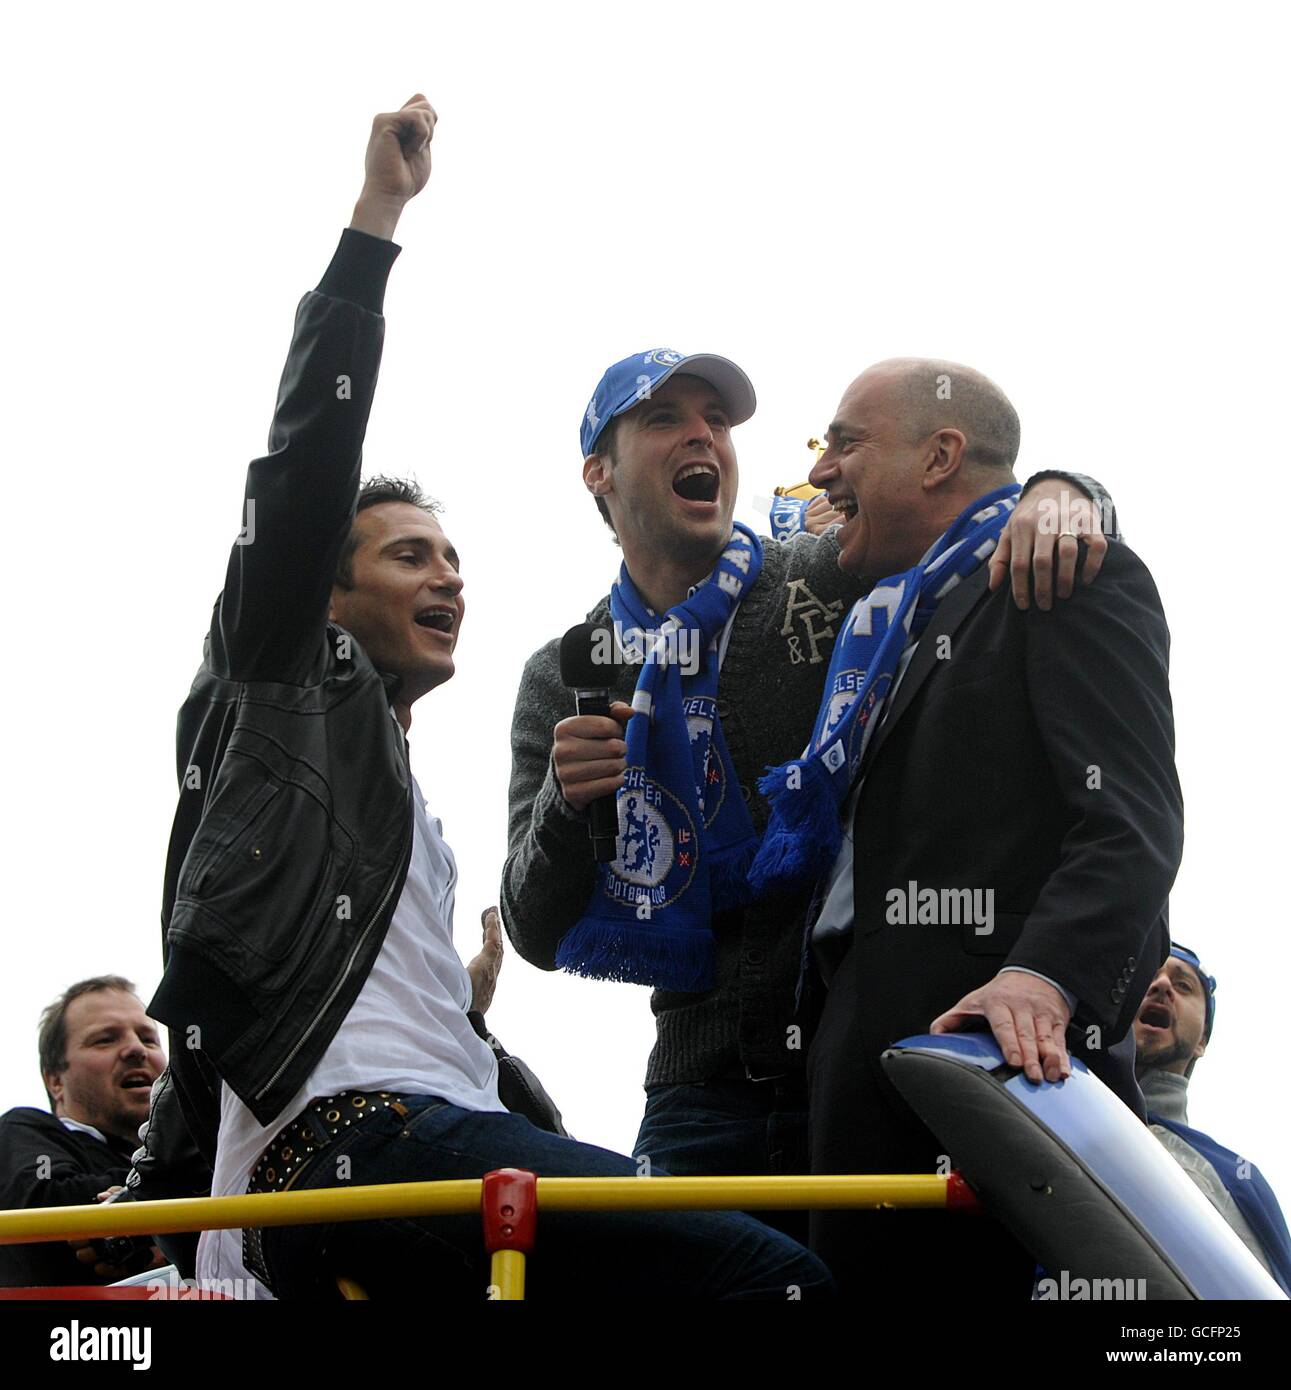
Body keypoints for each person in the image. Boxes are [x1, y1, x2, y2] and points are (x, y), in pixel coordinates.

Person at [131, 95, 833, 1301]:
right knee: (771, 1282)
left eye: (454, 559)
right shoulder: (275, 680)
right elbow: (303, 471)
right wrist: (376, 219)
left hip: (440, 1149)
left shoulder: (402, 811)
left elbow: (263, 1001)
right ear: (321, 593)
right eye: (409, 556)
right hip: (357, 1148)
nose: (447, 577)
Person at [501, 347, 1118, 1242]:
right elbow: (531, 929)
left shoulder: (827, 576)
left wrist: (1067, 490)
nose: (703, 435)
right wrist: (566, 807)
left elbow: (963, 516)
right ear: (598, 470)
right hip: (695, 1092)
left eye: (716, 419)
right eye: (665, 418)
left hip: (860, 1068)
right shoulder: (563, 674)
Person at [775, 357, 1185, 1298]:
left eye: (844, 443)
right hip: (858, 1082)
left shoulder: (1061, 569)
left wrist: (1044, 978)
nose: (819, 472)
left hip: (1003, 1075)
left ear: (939, 456)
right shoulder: (884, 624)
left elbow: (1130, 821)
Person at [1134, 944, 1291, 1293]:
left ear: (1202, 1040)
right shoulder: (1038, 1105)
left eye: (1183, 985)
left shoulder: (1237, 1180)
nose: (1162, 986)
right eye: (1145, 976)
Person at [0, 976, 165, 1287]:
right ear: (55, 1081)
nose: (136, 1049)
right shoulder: (25, 1129)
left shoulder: (201, 1152)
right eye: (105, 1039)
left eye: (149, 1039)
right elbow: (46, 1205)